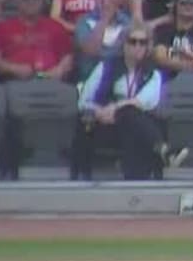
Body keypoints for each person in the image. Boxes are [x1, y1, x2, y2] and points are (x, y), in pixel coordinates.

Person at [72, 26, 181, 180]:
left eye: (142, 43)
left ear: (148, 47)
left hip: (134, 127)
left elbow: (142, 102)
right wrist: (99, 112)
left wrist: (115, 108)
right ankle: (163, 149)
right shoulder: (105, 67)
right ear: (124, 45)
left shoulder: (153, 74)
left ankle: (135, 177)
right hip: (104, 125)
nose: (137, 47)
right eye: (132, 42)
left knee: (130, 113)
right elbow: (84, 101)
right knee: (130, 116)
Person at [0, 0, 72, 84]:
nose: (30, 1)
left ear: (42, 1)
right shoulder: (2, 27)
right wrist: (12, 68)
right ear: (17, 1)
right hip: (14, 82)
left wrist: (59, 70)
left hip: (51, 82)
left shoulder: (56, 27)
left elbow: (67, 57)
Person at [73, 0, 132, 79]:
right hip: (89, 79)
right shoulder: (84, 21)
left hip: (119, 79)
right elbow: (91, 50)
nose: (105, 0)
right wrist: (104, 20)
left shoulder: (127, 22)